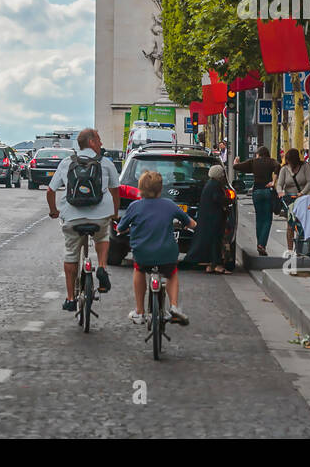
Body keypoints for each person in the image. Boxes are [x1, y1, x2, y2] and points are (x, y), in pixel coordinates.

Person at [46, 127, 121, 310]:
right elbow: (115, 190)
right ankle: (102, 266)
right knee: (102, 236)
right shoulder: (105, 163)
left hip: (72, 217)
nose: (101, 143)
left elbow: (50, 191)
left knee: (71, 253)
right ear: (91, 142)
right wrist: (114, 213)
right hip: (100, 216)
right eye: (99, 139)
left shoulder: (66, 163)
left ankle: (70, 299)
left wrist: (54, 210)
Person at [115, 170, 196, 325]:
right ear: (160, 189)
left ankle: (139, 311)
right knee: (171, 273)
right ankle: (174, 306)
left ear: (140, 189)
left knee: (138, 269)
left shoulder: (134, 206)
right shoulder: (169, 205)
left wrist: (123, 229)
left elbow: (120, 227)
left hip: (143, 254)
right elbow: (190, 223)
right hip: (167, 254)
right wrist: (191, 226)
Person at [182, 165, 231, 273]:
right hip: (213, 219)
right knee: (216, 241)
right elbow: (217, 198)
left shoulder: (209, 184)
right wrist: (227, 201)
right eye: (222, 174)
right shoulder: (215, 186)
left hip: (207, 218)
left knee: (210, 241)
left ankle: (211, 265)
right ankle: (217, 265)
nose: (223, 176)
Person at [235, 145, 280, 256]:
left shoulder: (253, 162)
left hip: (256, 192)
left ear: (258, 154)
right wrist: (273, 182)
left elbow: (237, 167)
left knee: (259, 219)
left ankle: (259, 244)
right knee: (267, 219)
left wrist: (236, 162)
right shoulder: (271, 161)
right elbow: (278, 166)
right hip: (267, 191)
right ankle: (262, 244)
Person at [276, 148, 310, 251]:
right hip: (289, 199)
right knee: (290, 224)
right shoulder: (284, 169)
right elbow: (279, 184)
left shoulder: (305, 167)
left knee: (301, 223)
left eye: (290, 161)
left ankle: (301, 248)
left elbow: (309, 182)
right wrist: (280, 192)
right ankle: (290, 249)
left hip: (302, 198)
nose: (289, 163)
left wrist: (303, 193)